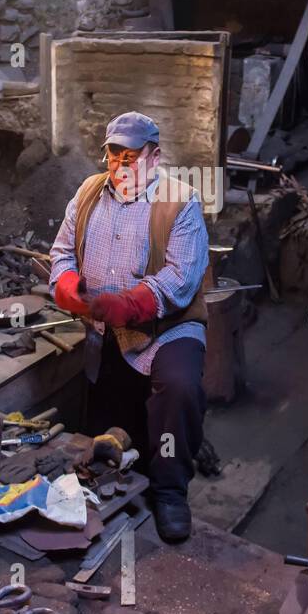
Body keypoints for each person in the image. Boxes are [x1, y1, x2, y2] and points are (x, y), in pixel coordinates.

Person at [49, 112, 211, 542]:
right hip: (106, 329)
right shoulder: (87, 194)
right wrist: (68, 287)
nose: (122, 164)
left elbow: (181, 276)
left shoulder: (181, 201)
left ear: (154, 156)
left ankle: (171, 490)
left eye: (132, 156)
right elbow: (62, 252)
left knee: (178, 388)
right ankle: (119, 472)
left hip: (166, 329)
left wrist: (131, 303)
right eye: (114, 154)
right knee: (109, 414)